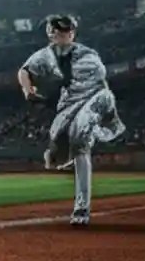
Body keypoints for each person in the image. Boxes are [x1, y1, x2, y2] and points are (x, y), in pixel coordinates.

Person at [18, 14, 125, 226]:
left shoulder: (88, 55)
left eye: (65, 32)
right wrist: (27, 90)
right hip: (69, 103)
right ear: (51, 34)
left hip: (96, 97)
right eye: (55, 32)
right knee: (55, 145)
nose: (60, 35)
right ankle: (80, 139)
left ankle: (82, 206)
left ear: (71, 33)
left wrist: (107, 114)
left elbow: (102, 83)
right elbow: (24, 71)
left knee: (80, 141)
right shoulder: (45, 55)